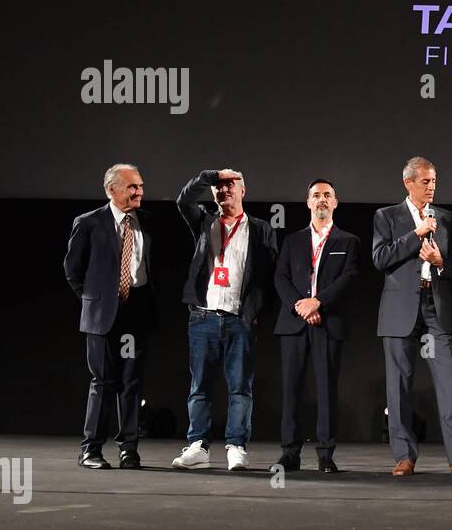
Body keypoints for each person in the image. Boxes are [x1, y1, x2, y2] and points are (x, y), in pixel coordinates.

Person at [372, 156, 452, 476]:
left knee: (448, 379)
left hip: (435, 305)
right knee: (398, 385)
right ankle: (404, 456)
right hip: (399, 309)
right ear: (408, 183)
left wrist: (441, 260)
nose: (432, 187)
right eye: (425, 181)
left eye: (434, 181)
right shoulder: (386, 216)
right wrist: (416, 234)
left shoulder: (446, 218)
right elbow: (380, 258)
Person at [173, 169, 279, 471]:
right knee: (200, 386)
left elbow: (268, 276)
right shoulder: (205, 221)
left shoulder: (260, 229)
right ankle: (198, 446)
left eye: (230, 186)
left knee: (240, 387)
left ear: (243, 191)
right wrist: (209, 175)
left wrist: (255, 314)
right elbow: (184, 200)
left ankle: (236, 446)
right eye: (219, 187)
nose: (223, 191)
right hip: (203, 317)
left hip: (239, 319)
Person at [63, 163, 158, 469]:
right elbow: (73, 270)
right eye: (132, 187)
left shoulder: (149, 222)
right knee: (103, 381)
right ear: (111, 189)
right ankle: (90, 449)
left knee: (132, 383)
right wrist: (95, 302)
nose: (139, 192)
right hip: (103, 316)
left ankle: (129, 448)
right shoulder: (89, 223)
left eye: (140, 186)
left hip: (137, 314)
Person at [272, 179, 362, 473]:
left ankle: (325, 454)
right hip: (294, 323)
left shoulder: (348, 241)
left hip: (328, 322)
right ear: (308, 202)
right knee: (291, 389)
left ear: (335, 202)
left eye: (327, 195)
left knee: (326, 389)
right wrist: (301, 305)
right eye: (316, 195)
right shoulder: (292, 240)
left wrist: (318, 302)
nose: (321, 199)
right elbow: (280, 278)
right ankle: (290, 453)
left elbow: (349, 278)